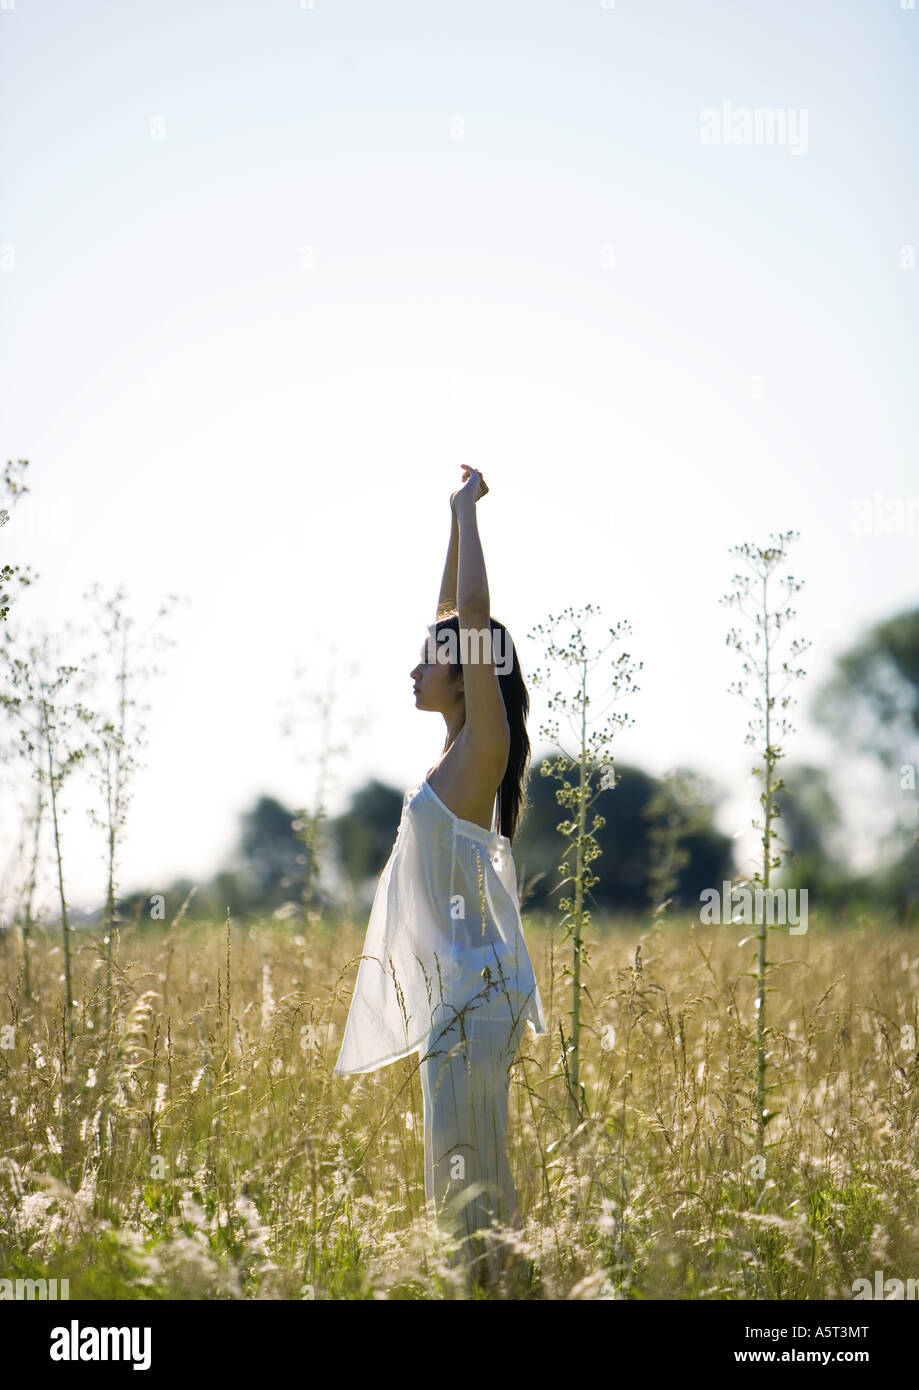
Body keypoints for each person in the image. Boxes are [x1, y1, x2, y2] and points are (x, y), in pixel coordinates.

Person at [333, 465, 546, 1288]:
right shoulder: (456, 757)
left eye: (428, 662)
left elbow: (472, 624)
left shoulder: (480, 752)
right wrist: (451, 523)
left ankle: (498, 1287)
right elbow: (452, 620)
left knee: (471, 1196)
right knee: (465, 1184)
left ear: (467, 674)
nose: (413, 670)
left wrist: (469, 515)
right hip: (459, 997)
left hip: (471, 996)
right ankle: (502, 1286)